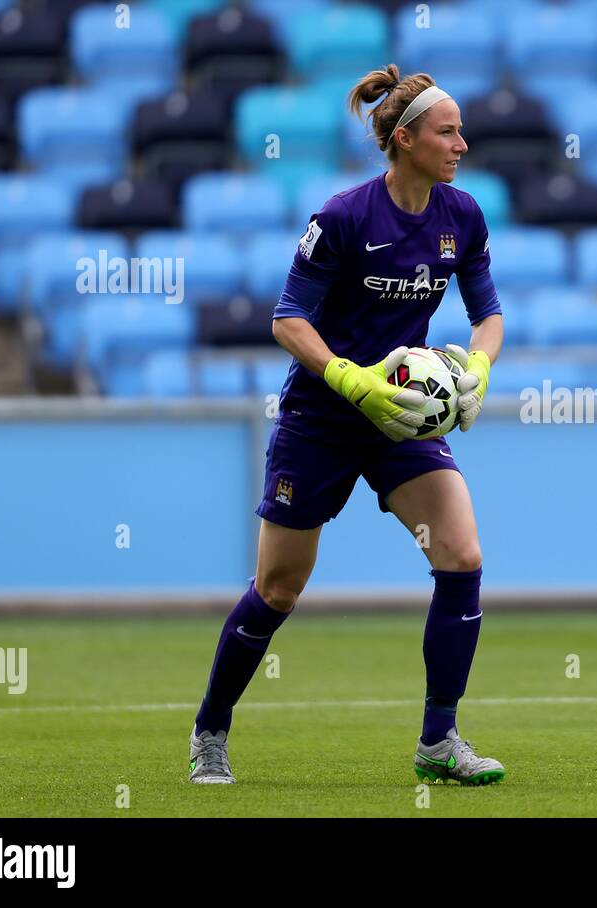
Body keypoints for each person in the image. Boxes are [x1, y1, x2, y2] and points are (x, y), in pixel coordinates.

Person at [187, 64, 506, 786]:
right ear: (405, 139)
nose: (462, 142)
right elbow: (288, 318)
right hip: (323, 419)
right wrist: (346, 378)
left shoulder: (463, 216)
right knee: (278, 589)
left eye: (460, 130)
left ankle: (439, 740)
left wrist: (477, 371)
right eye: (448, 131)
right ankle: (211, 729)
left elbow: (487, 316)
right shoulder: (343, 217)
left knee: (460, 556)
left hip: (402, 417)